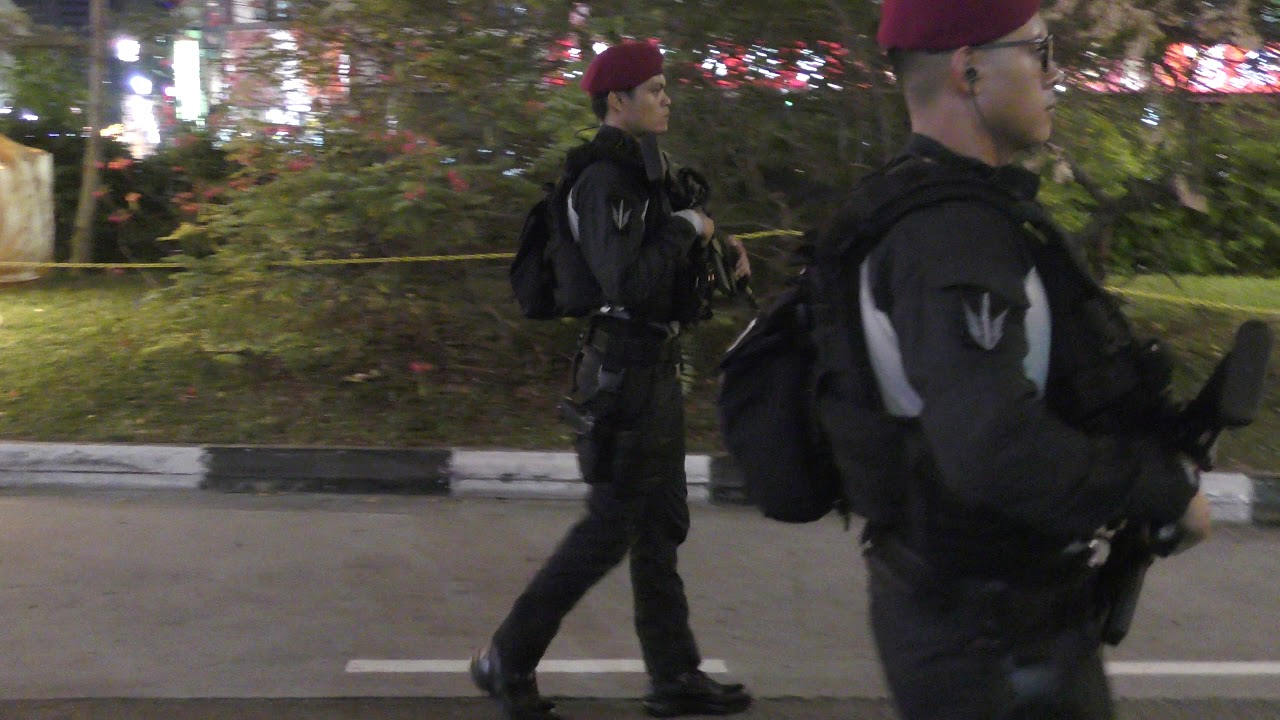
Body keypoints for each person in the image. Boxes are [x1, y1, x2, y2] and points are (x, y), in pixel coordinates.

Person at [820, 1, 1215, 718]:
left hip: (979, 612)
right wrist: (1158, 489)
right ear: (969, 69)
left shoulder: (943, 208)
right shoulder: (950, 235)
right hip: (993, 638)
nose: (1055, 74)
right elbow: (991, 445)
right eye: (1040, 51)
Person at [470, 41, 752, 720]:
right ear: (617, 102)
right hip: (624, 373)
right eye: (654, 89)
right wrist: (687, 228)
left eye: (664, 87)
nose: (667, 98)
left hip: (653, 366)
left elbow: (663, 270)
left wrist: (718, 257)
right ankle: (506, 658)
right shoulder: (604, 181)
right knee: (609, 528)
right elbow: (626, 280)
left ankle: (674, 676)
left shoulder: (647, 173)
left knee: (659, 527)